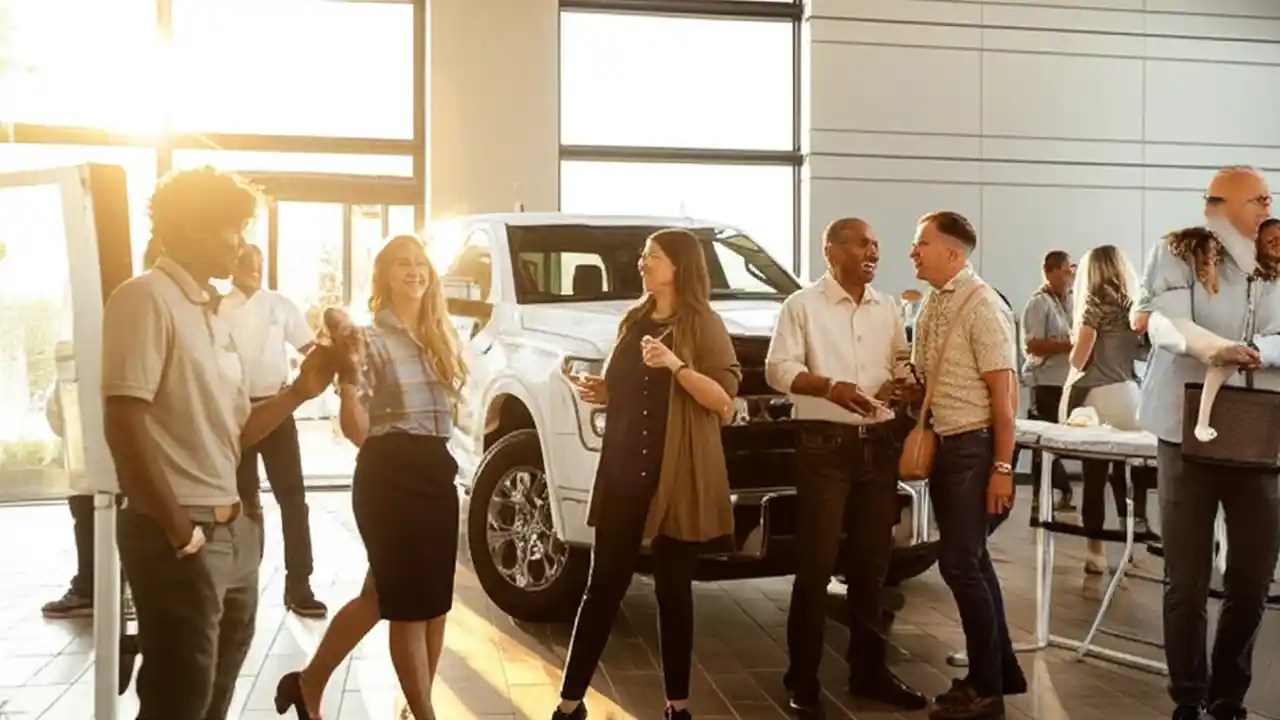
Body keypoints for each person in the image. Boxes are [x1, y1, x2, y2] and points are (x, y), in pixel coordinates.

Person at [103, 166, 336, 720]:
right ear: (190, 227)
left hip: (231, 534)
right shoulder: (144, 299)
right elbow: (124, 424)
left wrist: (299, 393)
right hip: (178, 535)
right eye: (231, 228)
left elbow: (236, 433)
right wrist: (180, 534)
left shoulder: (212, 313)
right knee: (177, 702)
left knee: (213, 700)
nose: (240, 241)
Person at [550, 228, 740, 720]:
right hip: (621, 476)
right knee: (602, 589)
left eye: (652, 256)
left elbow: (723, 403)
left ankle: (677, 706)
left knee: (673, 593)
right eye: (643, 255)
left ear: (678, 266)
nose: (642, 262)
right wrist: (600, 389)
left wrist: (676, 364)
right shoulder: (634, 320)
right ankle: (569, 705)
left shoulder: (705, 325)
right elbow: (625, 390)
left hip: (675, 478)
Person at [276, 234, 468, 720]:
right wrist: (351, 391)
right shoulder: (365, 338)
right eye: (402, 263)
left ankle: (309, 683)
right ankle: (424, 715)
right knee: (407, 604)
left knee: (418, 601)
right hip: (391, 478)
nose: (415, 271)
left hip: (435, 470)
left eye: (421, 263)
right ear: (383, 274)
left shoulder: (439, 334)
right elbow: (355, 426)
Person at [764, 217, 927, 716]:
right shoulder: (802, 306)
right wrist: (830, 387)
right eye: (862, 244)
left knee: (872, 570)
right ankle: (803, 683)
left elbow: (901, 360)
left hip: (878, 448)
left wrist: (906, 381)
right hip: (824, 449)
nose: (873, 251)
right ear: (831, 250)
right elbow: (778, 370)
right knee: (814, 570)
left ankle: (870, 673)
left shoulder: (888, 308)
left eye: (877, 244)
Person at [1136, 165, 1280, 720]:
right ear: (1218, 206)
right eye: (1258, 200)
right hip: (1182, 435)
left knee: (1251, 578)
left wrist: (1258, 351)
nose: (1268, 208)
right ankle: (1189, 697)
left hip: (1260, 435)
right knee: (1186, 580)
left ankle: (1229, 696)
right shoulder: (1178, 253)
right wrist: (1211, 347)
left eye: (1269, 198)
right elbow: (1163, 322)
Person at [909, 211, 1026, 720]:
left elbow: (1005, 398)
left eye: (922, 244)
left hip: (974, 450)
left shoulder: (983, 306)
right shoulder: (936, 300)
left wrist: (1003, 467)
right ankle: (999, 673)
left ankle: (986, 689)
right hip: (949, 446)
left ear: (952, 253)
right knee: (973, 561)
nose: (913, 251)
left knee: (959, 563)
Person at [219, 244, 326, 617]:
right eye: (246, 261)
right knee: (246, 503)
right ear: (232, 264)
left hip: (279, 409)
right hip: (236, 415)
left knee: (293, 500)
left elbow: (310, 347)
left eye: (258, 262)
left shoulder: (279, 305)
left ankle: (300, 584)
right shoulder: (218, 306)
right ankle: (242, 586)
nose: (253, 267)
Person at [1060, 245, 1155, 574]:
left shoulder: (1093, 305)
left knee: (1094, 477)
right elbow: (1145, 353)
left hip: (1097, 399)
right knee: (1128, 475)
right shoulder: (1135, 308)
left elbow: (1078, 358)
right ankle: (1132, 545)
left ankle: (1095, 552)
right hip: (1130, 396)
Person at [1019, 251, 1077, 514]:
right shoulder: (1039, 303)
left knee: (1062, 440)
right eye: (1066, 270)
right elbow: (1033, 346)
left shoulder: (1072, 301)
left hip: (1067, 381)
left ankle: (1062, 488)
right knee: (1045, 440)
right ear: (1050, 271)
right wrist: (1068, 345)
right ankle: (1040, 496)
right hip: (1045, 381)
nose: (1071, 275)